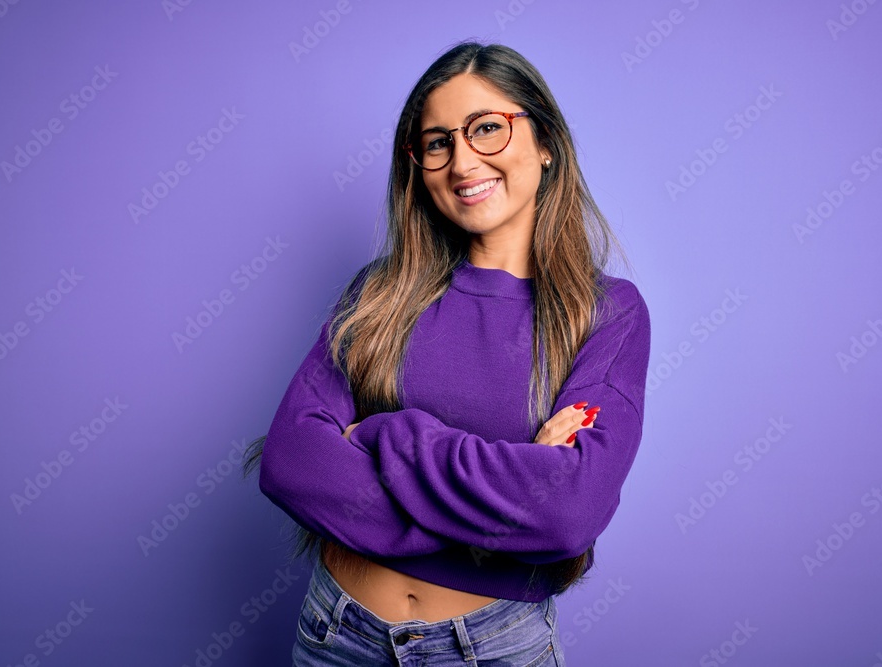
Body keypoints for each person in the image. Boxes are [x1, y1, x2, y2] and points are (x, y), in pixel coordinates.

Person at [249, 40, 651, 666]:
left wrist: (383, 436)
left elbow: (567, 514)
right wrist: (509, 496)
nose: (463, 160)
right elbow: (290, 463)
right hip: (336, 636)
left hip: (491, 650)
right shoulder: (378, 294)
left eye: (487, 128)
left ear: (545, 144)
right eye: (438, 142)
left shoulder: (606, 313)